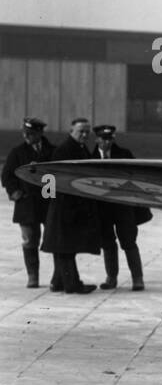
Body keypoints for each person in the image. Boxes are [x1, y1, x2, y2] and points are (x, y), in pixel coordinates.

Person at [39, 118, 101, 295]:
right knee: (66, 247)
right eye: (81, 131)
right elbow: (49, 177)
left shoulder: (80, 149)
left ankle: (59, 281)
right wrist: (52, 202)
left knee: (65, 246)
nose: (85, 135)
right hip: (65, 206)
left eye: (87, 132)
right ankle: (72, 284)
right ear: (71, 131)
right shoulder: (64, 150)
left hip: (70, 207)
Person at [92, 124, 148, 290]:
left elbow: (136, 175)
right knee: (107, 243)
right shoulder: (89, 157)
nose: (107, 142)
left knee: (129, 241)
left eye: (110, 139)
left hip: (123, 207)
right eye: (103, 139)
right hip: (102, 209)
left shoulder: (124, 154)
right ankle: (111, 278)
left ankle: (137, 278)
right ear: (97, 139)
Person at [2, 117, 55, 287]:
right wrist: (14, 192)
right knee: (30, 240)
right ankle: (33, 276)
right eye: (25, 133)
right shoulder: (17, 152)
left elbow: (56, 175)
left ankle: (58, 277)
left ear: (40, 133)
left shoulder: (53, 151)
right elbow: (7, 176)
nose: (26, 136)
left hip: (48, 204)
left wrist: (53, 195)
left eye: (30, 133)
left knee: (55, 240)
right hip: (26, 204)